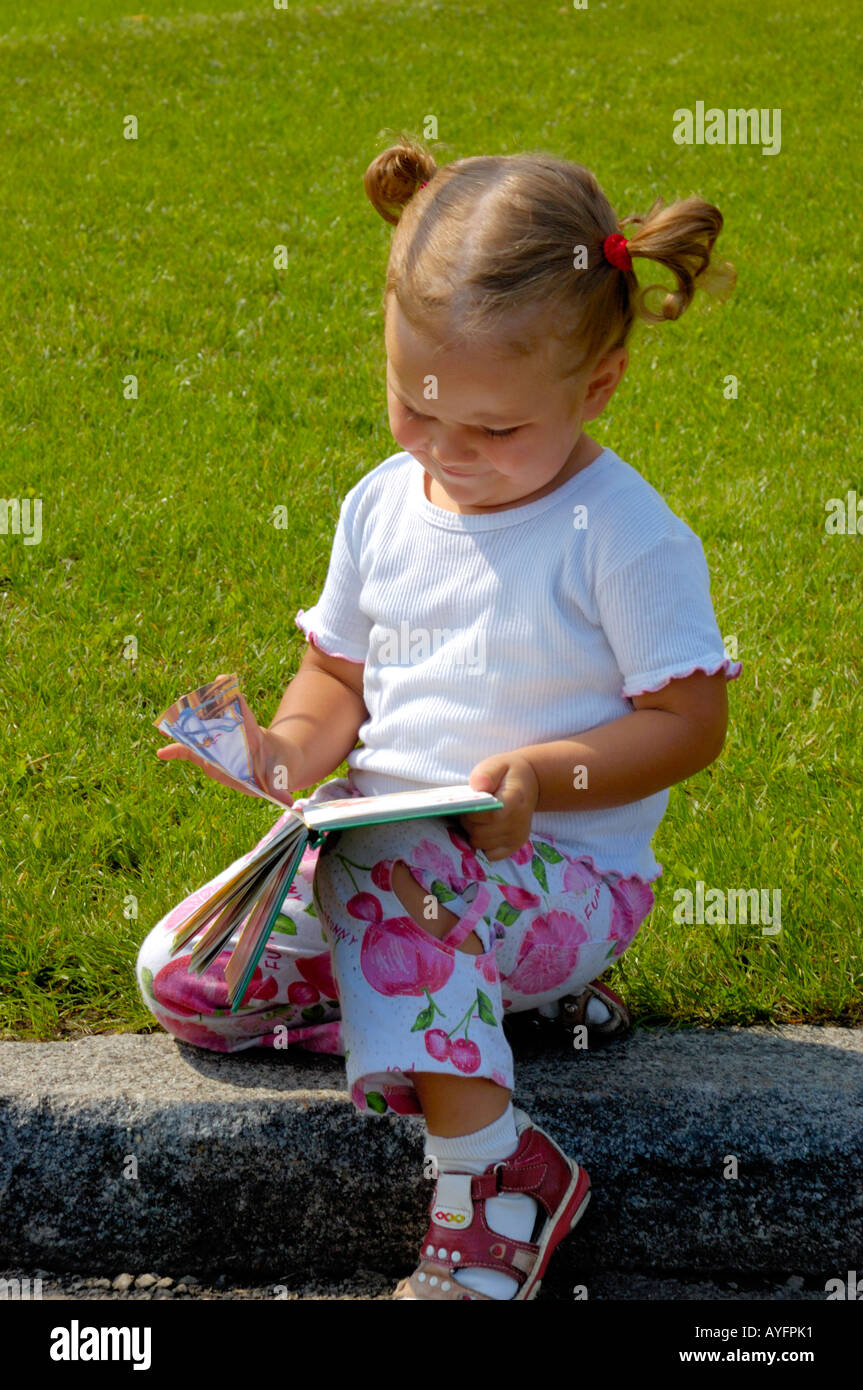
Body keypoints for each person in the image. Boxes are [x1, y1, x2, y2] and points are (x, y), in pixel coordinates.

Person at [136, 136, 739, 1300]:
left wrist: (542, 777)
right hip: (391, 870)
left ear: (598, 383)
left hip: (558, 879)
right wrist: (276, 754)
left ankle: (498, 1179)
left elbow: (689, 724)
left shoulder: (624, 535)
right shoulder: (380, 507)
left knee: (387, 861)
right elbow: (335, 690)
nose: (447, 453)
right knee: (184, 975)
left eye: (495, 430)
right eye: (415, 405)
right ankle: (459, 1013)